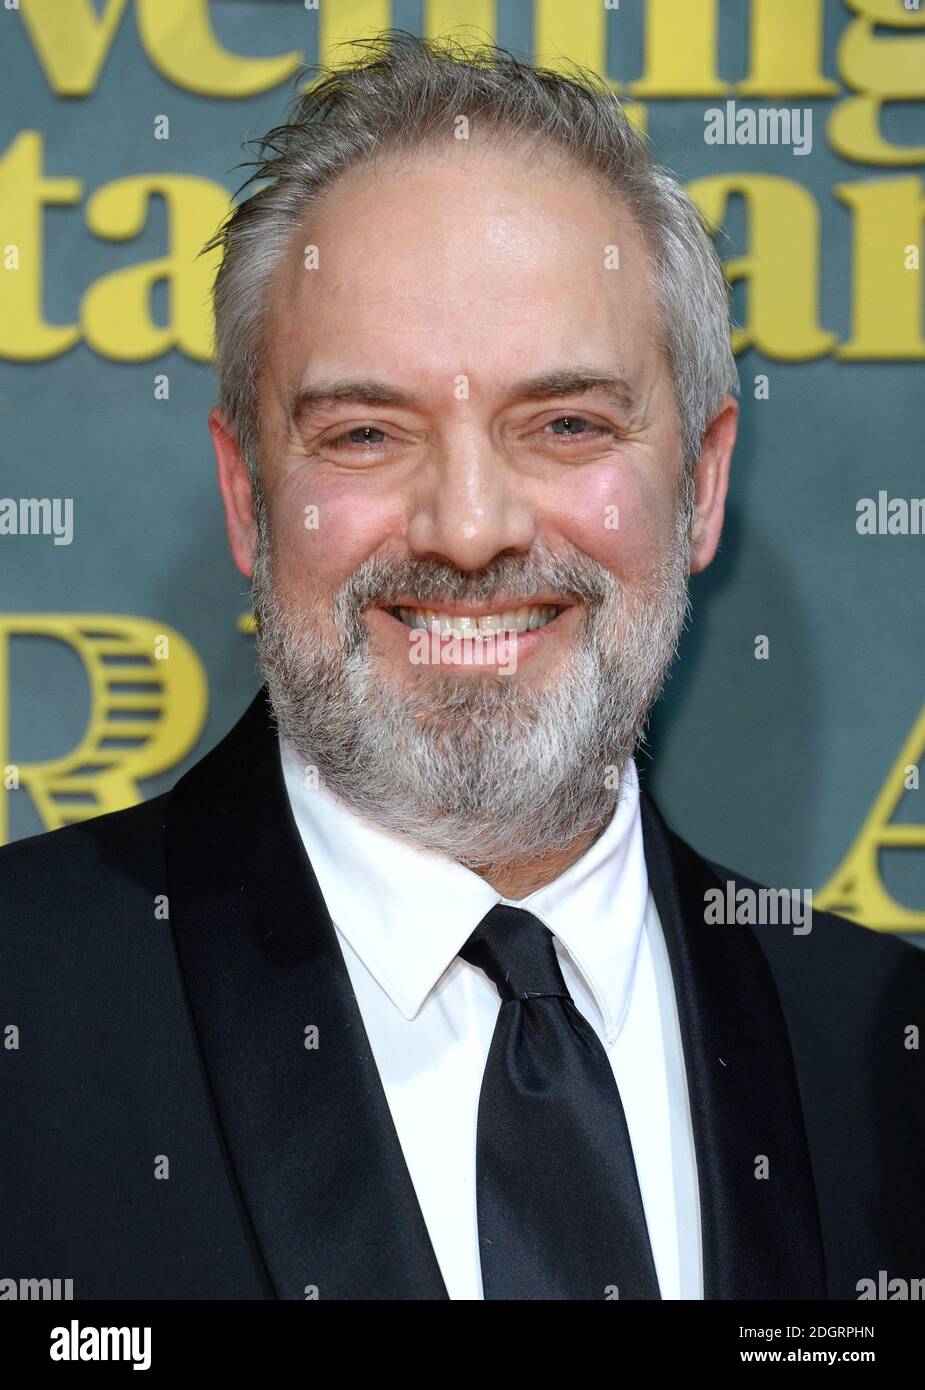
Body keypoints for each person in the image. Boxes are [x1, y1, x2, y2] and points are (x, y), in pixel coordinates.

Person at [2, 33, 922, 1302]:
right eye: (368, 432)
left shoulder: (884, 1050)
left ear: (701, 485)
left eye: (564, 424)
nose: (472, 525)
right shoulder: (27, 1004)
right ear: (245, 494)